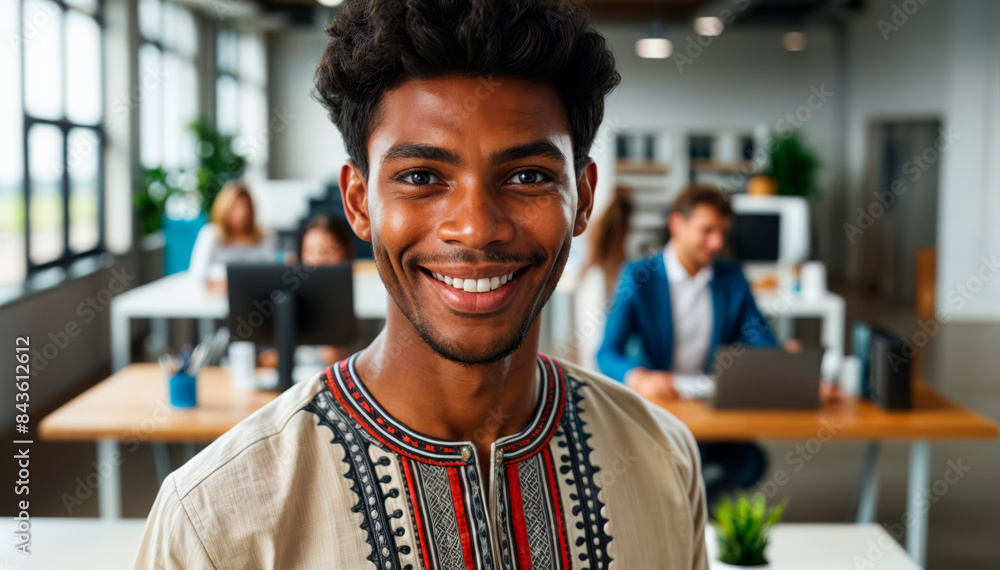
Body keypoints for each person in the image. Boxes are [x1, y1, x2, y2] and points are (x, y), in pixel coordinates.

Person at [135, 1, 708, 568]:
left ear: (582, 197)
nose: (477, 228)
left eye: (528, 176)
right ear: (360, 203)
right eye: (421, 177)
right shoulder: (212, 523)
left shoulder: (664, 459)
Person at [596, 183, 779, 506]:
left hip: (712, 408)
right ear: (677, 225)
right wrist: (639, 377)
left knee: (751, 462)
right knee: (672, 469)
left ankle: (687, 515)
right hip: (662, 408)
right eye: (707, 231)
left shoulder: (731, 279)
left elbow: (759, 337)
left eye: (722, 232)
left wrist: (782, 360)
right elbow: (607, 353)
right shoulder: (640, 277)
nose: (717, 242)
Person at [258, 214, 355, 370]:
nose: (318, 260)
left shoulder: (360, 297)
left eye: (326, 251)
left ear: (345, 252)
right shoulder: (288, 296)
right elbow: (266, 357)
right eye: (310, 251)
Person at [188, 181, 276, 295]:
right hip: (219, 298)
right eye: (235, 207)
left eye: (245, 207)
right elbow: (197, 274)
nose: (242, 213)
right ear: (224, 209)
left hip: (256, 297)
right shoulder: (211, 234)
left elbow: (272, 272)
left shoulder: (265, 236)